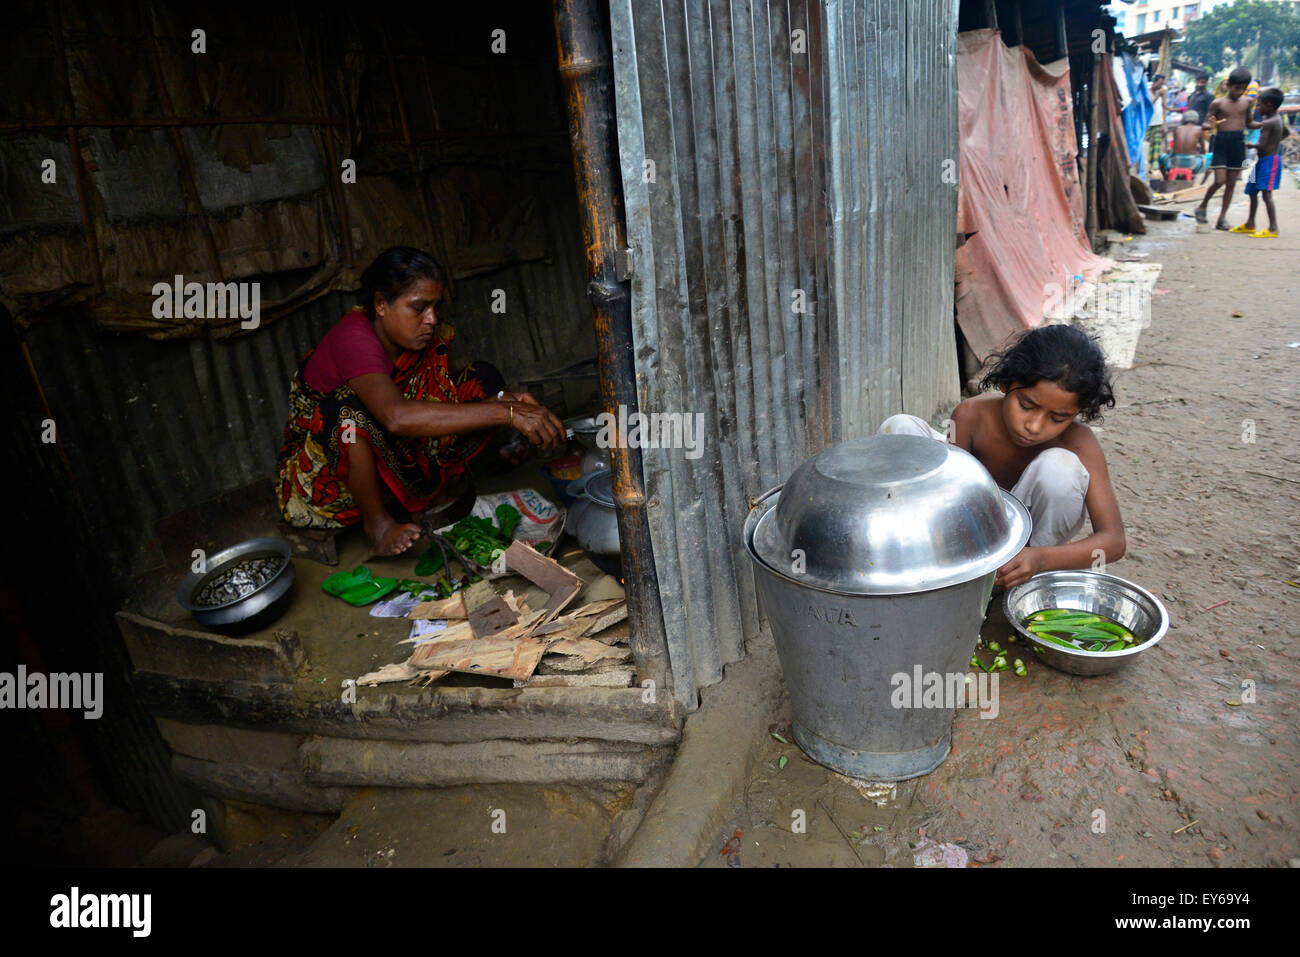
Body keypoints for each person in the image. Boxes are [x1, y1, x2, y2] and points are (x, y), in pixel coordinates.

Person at [276, 246, 566, 555]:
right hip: (326, 474)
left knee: (483, 380)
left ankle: (436, 488)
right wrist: (505, 412)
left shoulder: (423, 339)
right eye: (419, 308)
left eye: (435, 307)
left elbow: (443, 395)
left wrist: (504, 401)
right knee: (348, 411)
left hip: (392, 445)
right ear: (380, 304)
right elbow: (395, 417)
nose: (431, 319)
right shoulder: (354, 339)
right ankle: (377, 523)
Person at [878, 325, 1124, 589]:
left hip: (1033, 546)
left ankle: (1026, 580)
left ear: (1078, 411)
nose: (1035, 426)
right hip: (969, 520)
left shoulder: (1080, 443)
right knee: (899, 428)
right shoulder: (971, 415)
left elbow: (1113, 541)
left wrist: (1041, 558)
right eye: (1027, 406)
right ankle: (907, 550)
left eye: (1058, 418)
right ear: (1007, 383)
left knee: (1059, 468)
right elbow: (949, 494)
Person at [1196, 67, 1254, 229]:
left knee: (1231, 183)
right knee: (1219, 180)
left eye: (1244, 89)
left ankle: (1222, 218)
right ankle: (1202, 205)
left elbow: (1250, 123)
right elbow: (1206, 124)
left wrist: (1265, 123)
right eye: (1237, 88)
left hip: (1238, 143)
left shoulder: (1247, 102)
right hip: (1221, 142)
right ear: (1228, 85)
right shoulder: (1217, 103)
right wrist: (1212, 124)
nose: (1240, 92)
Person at [1234, 88, 1287, 238]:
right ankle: (1250, 223)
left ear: (1269, 105)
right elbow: (1286, 132)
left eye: (1260, 105)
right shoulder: (1276, 119)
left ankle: (1273, 228)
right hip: (1261, 161)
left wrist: (1250, 145)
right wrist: (1275, 142)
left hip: (1270, 162)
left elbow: (1262, 145)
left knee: (1266, 194)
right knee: (1251, 190)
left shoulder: (1270, 122)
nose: (1258, 108)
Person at [1158, 110, 1206, 179]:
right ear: (1196, 119)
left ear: (1183, 119)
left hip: (1174, 162)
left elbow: (1174, 147)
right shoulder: (1200, 129)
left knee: (1161, 156)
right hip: (1192, 163)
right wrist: (1201, 155)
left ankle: (1165, 176)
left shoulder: (1177, 129)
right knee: (1209, 156)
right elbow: (1203, 149)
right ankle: (1195, 177)